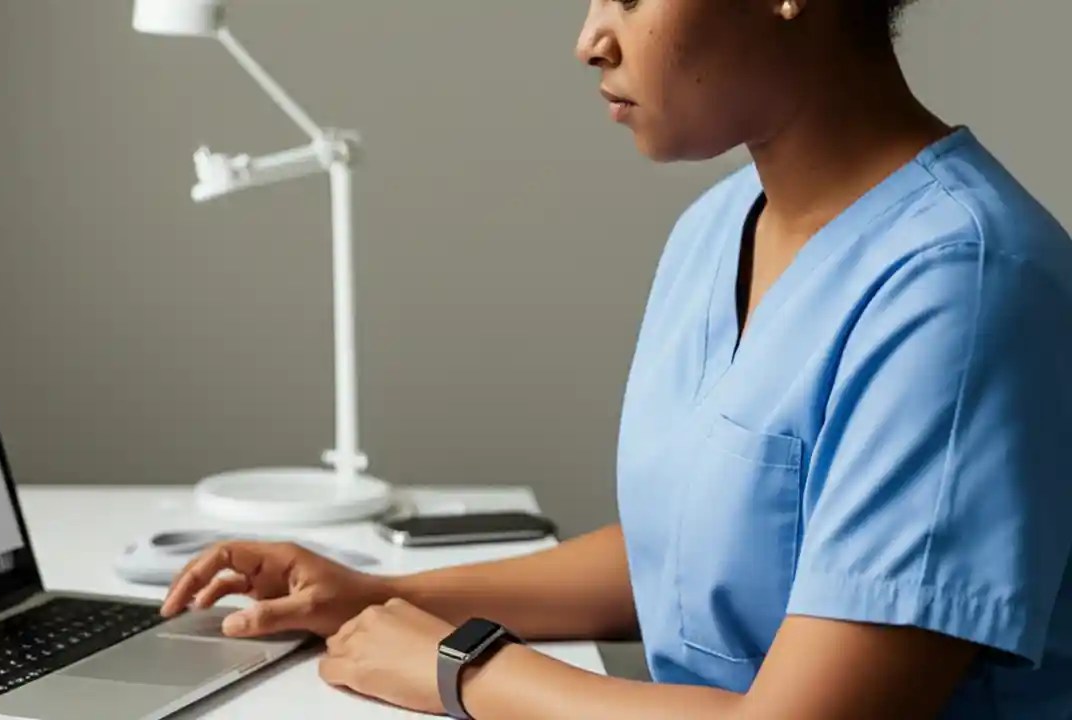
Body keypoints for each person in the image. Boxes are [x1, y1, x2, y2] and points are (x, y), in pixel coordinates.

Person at [162, 0, 1072, 717]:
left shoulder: (965, 286)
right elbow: (694, 550)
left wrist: (461, 670)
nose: (589, 40)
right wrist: (375, 594)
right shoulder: (716, 227)